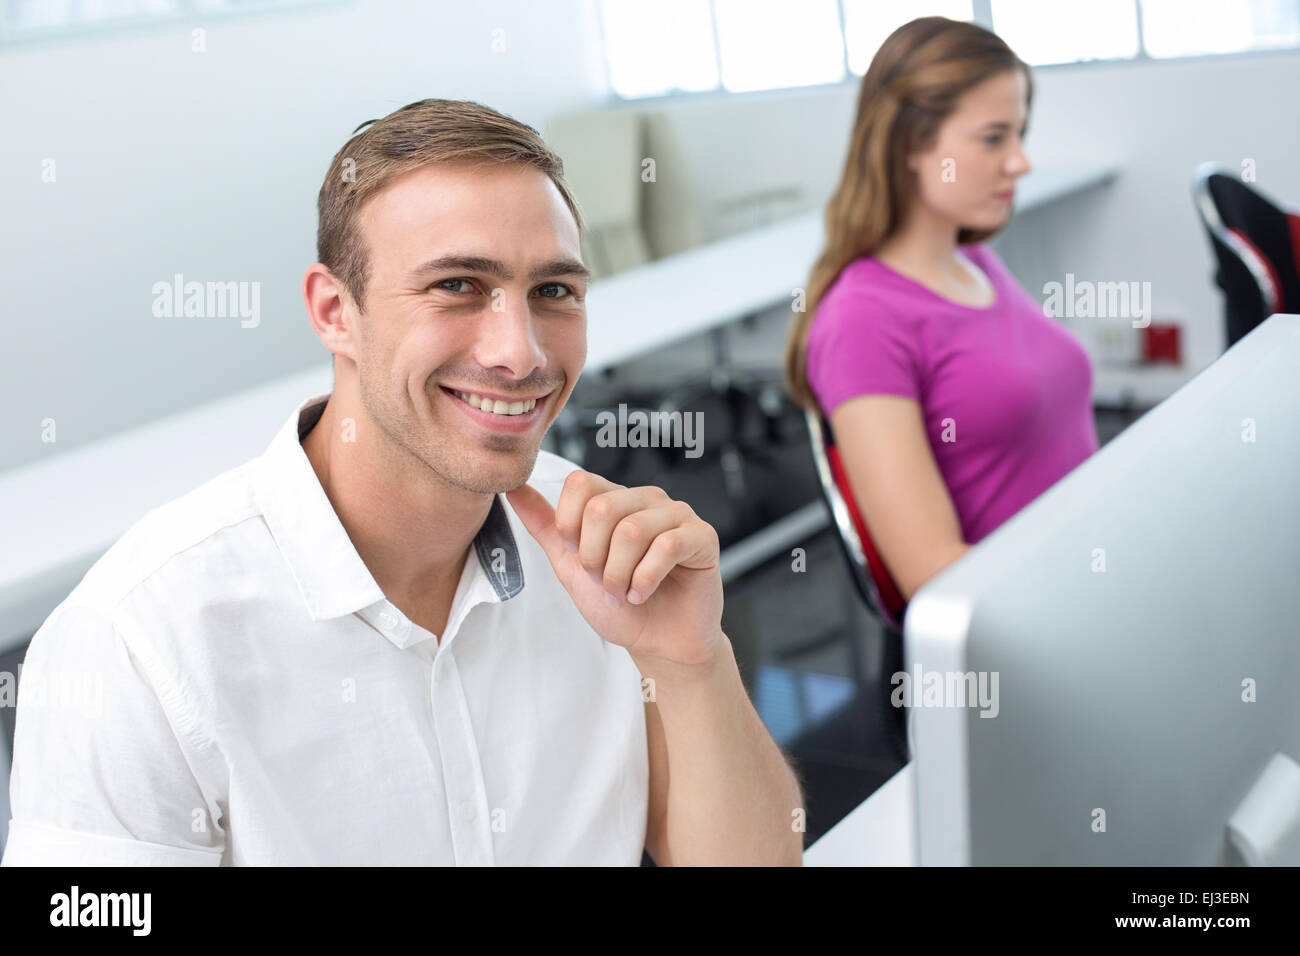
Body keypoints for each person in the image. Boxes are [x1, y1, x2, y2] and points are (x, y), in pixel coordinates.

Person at [3, 99, 803, 867]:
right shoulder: (140, 640)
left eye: (553, 291)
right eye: (457, 285)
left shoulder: (595, 547)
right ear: (333, 310)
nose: (519, 353)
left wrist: (691, 664)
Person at [784, 17, 1099, 606]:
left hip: (1087, 582)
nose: (1019, 162)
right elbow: (933, 577)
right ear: (910, 142)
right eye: (993, 138)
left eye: (1020, 134)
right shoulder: (861, 321)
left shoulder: (977, 263)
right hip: (1033, 626)